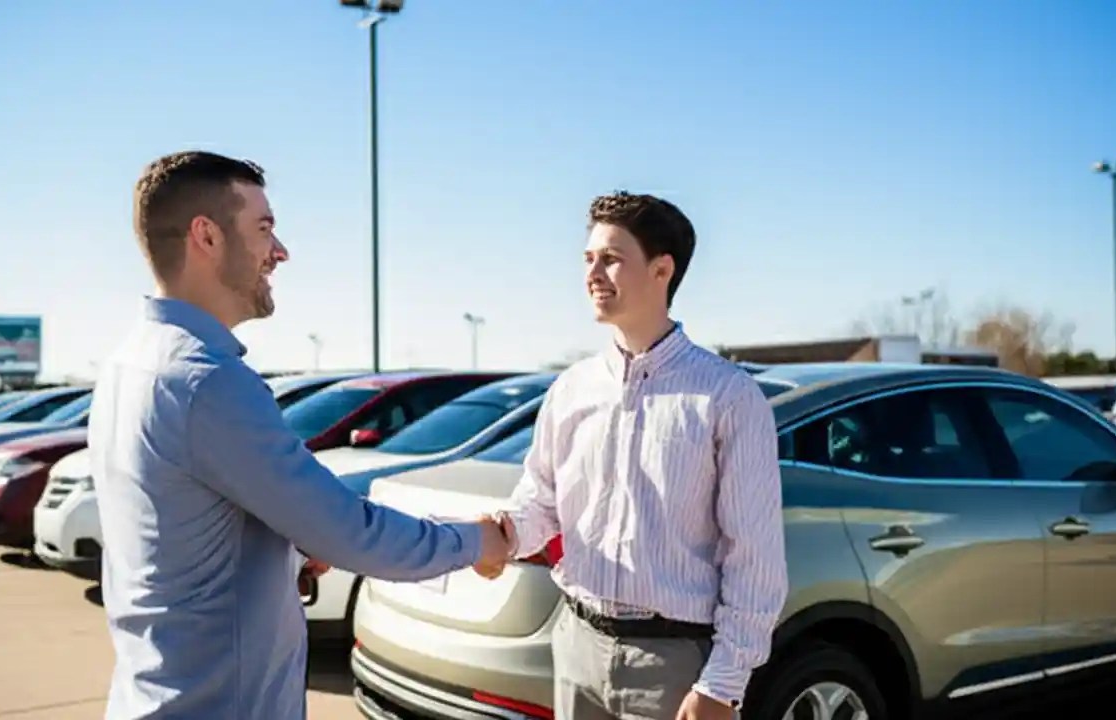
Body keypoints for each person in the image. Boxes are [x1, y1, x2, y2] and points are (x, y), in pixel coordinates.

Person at [88, 150, 511, 719]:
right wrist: (476, 541)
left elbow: (176, 531)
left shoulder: (129, 363)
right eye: (264, 229)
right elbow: (351, 535)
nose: (280, 252)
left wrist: (282, 557)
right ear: (206, 236)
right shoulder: (207, 382)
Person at [486, 191, 788, 720]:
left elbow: (754, 559)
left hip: (672, 664)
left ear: (661, 269)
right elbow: (541, 501)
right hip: (575, 644)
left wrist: (723, 683)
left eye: (611, 258)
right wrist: (504, 532)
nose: (593, 273)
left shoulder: (728, 396)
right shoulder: (571, 389)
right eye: (587, 259)